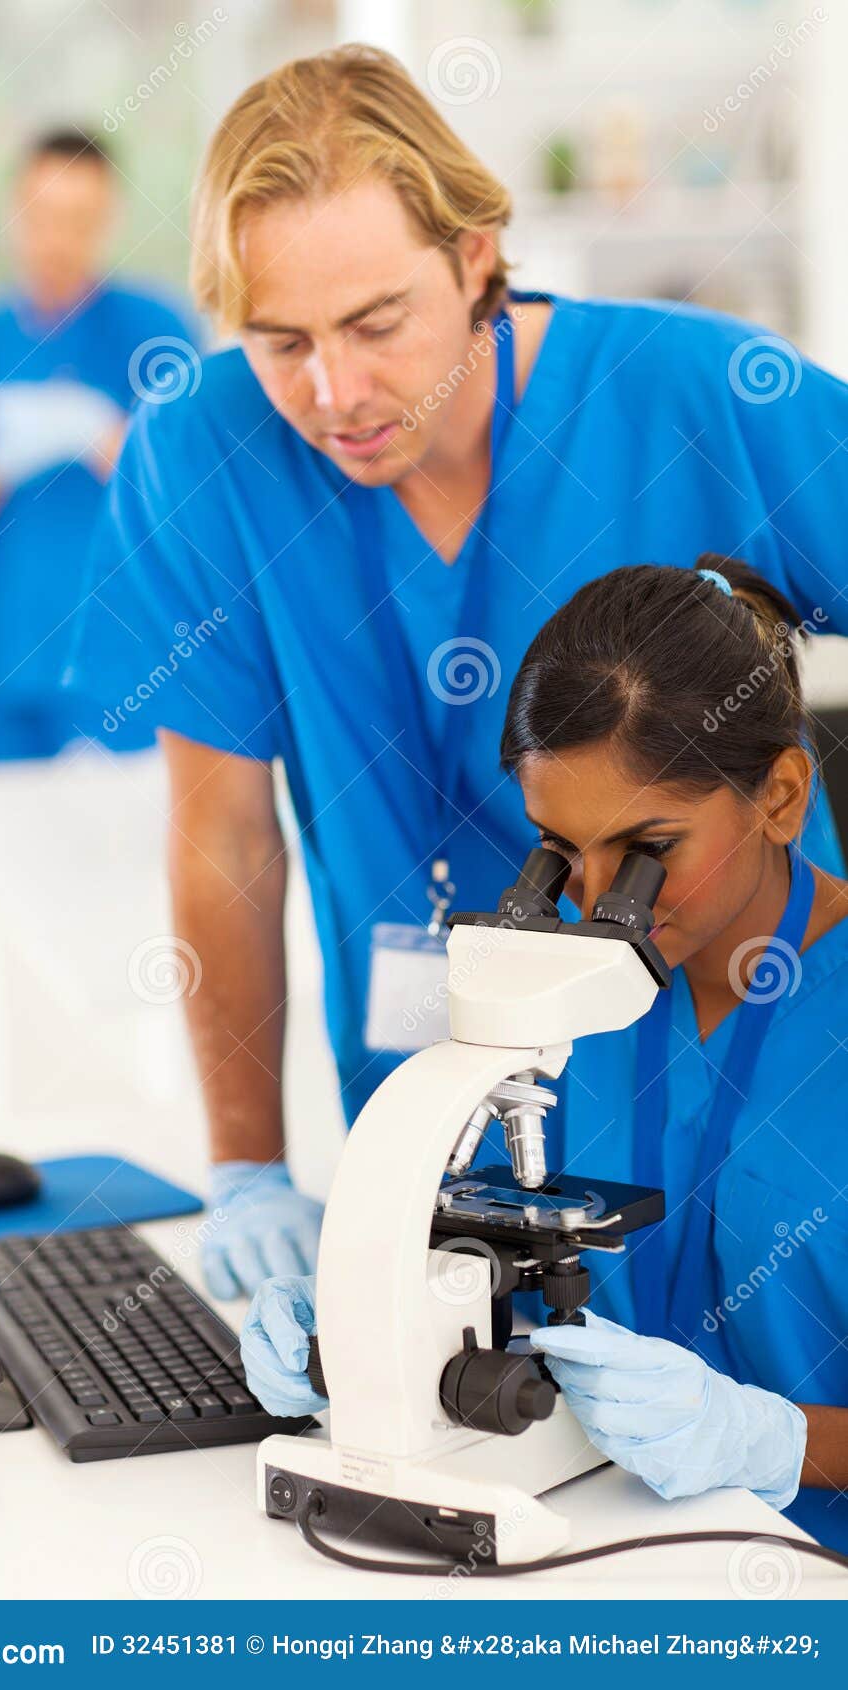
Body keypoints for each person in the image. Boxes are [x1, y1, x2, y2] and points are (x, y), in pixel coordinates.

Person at [63, 45, 848, 1301]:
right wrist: (245, 1170)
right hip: (431, 1127)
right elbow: (221, 833)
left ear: (475, 255)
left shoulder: (696, 395)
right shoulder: (201, 455)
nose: (336, 393)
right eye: (279, 342)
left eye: (377, 323)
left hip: (753, 1106)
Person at [239, 555, 848, 1552]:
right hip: (587, 1543)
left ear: (778, 796)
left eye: (647, 852)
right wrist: (361, 1300)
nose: (596, 903)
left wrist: (767, 1441)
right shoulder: (565, 999)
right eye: (559, 851)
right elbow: (496, 1249)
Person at [0, 128, 199, 762]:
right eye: (43, 216)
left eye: (80, 219)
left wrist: (105, 439)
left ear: (109, 219)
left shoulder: (156, 329)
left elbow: (191, 492)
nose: (58, 239)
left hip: (124, 659)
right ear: (14, 212)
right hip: (9, 652)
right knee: (7, 847)